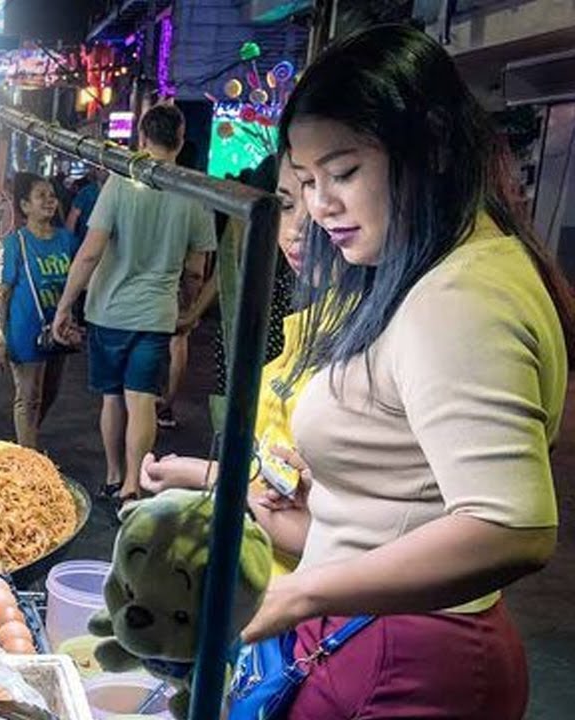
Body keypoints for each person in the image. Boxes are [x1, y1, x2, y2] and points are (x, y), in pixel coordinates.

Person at [238, 26, 572, 720]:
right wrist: (315, 518)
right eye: (305, 183)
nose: (322, 206)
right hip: (373, 635)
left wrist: (305, 592)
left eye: (345, 172)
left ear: (433, 148)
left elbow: (513, 528)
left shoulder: (459, 297)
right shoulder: (434, 264)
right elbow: (413, 493)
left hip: (409, 657)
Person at [139, 152, 309, 576]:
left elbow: (332, 532)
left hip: (301, 605)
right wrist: (198, 474)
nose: (297, 229)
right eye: (285, 204)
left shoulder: (352, 346)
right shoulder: (298, 326)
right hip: (264, 582)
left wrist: (201, 479)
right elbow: (267, 480)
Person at [53, 104, 217, 502]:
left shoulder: (120, 183)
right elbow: (197, 268)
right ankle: (133, 483)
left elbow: (91, 252)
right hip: (155, 315)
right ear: (180, 142)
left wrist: (63, 306)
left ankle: (112, 475)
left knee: (112, 398)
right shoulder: (193, 191)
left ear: (142, 138)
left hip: (108, 311)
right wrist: (187, 307)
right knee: (141, 399)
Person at [0, 173, 81, 449]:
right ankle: (26, 456)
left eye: (52, 195)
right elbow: (1, 293)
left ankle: (26, 440)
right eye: (41, 196)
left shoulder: (67, 240)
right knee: (28, 396)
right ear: (24, 205)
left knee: (50, 393)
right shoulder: (15, 243)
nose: (49, 200)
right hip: (24, 331)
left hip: (59, 329)